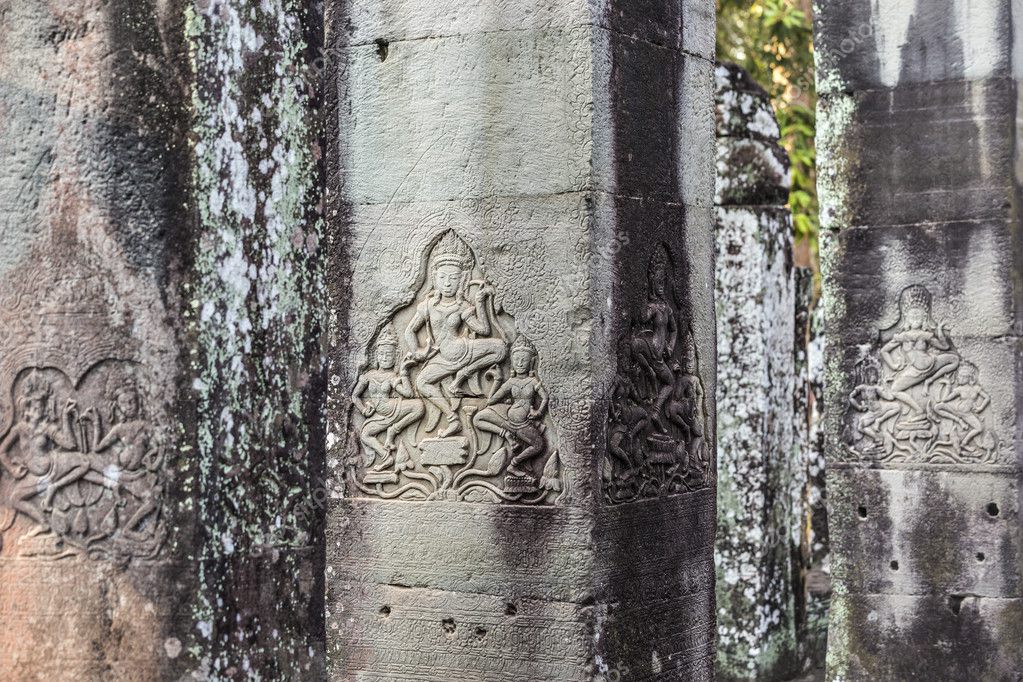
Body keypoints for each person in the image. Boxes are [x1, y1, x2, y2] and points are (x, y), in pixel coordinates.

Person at [403, 231, 507, 437]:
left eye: (453, 278)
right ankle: (452, 419)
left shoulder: (462, 306)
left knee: (501, 348)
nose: (447, 283)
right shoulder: (428, 306)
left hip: (465, 351)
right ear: (435, 279)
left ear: (462, 280)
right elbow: (409, 331)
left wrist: (479, 303)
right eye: (442, 278)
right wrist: (418, 352)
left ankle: (464, 374)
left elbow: (484, 330)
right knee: (422, 382)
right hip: (442, 357)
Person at [472, 335, 548, 478]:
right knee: (477, 419)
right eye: (516, 359)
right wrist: (498, 380)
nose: (520, 363)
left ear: (531, 363)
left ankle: (514, 464)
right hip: (506, 418)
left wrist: (539, 412)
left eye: (524, 360)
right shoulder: (510, 382)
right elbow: (491, 401)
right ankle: (506, 435)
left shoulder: (533, 381)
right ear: (512, 362)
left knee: (538, 446)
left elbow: (545, 397)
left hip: (523, 424)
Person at [351, 328, 424, 470]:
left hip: (393, 408)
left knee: (419, 406)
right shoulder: (369, 375)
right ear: (376, 356)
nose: (384, 358)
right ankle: (386, 457)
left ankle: (394, 430)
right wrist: (364, 409)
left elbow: (408, 394)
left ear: (395, 357)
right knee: (365, 435)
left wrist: (404, 373)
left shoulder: (392, 377)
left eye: (388, 355)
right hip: (379, 414)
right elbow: (355, 396)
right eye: (381, 354)